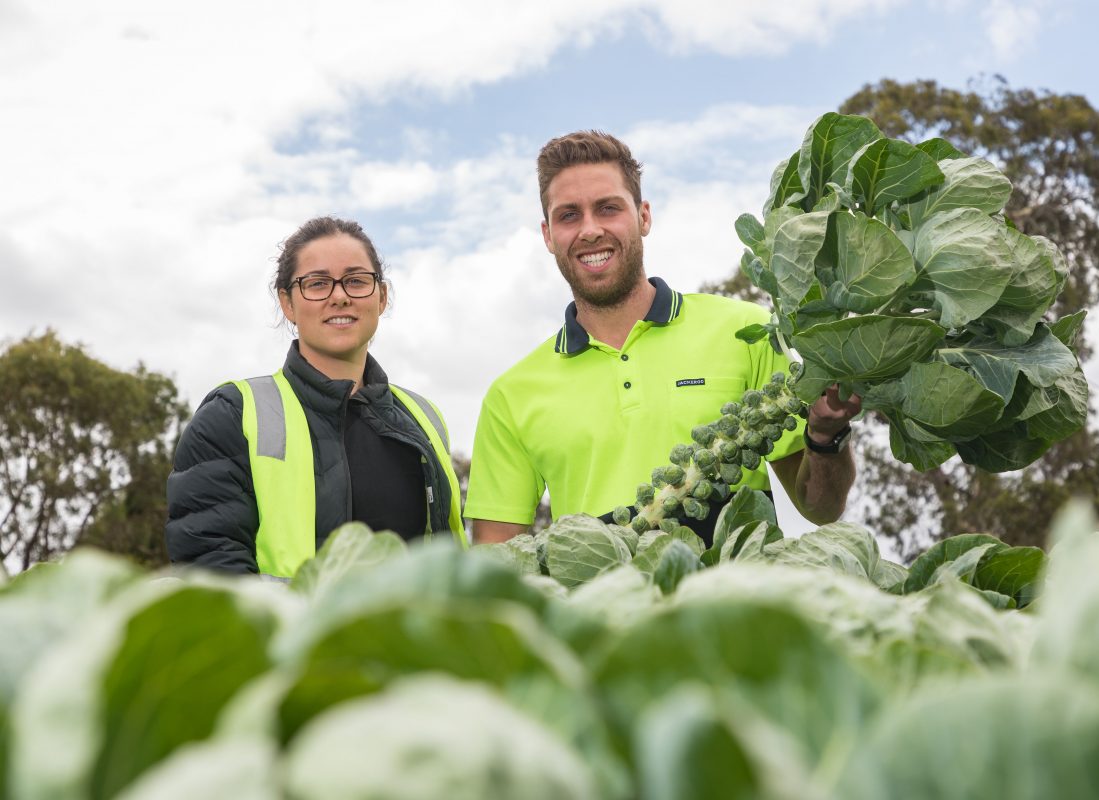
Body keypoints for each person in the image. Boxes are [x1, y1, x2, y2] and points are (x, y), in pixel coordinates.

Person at [466, 131, 858, 546]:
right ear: (548, 235)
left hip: (741, 606)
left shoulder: (747, 332)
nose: (590, 230)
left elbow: (821, 507)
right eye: (569, 216)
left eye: (608, 208)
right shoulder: (511, 396)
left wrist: (825, 436)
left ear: (643, 216)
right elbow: (498, 567)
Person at [166, 217, 464, 577]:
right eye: (317, 284)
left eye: (355, 281)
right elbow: (212, 571)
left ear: (381, 297)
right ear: (288, 303)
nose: (339, 296)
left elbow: (451, 563)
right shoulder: (232, 416)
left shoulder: (424, 416)